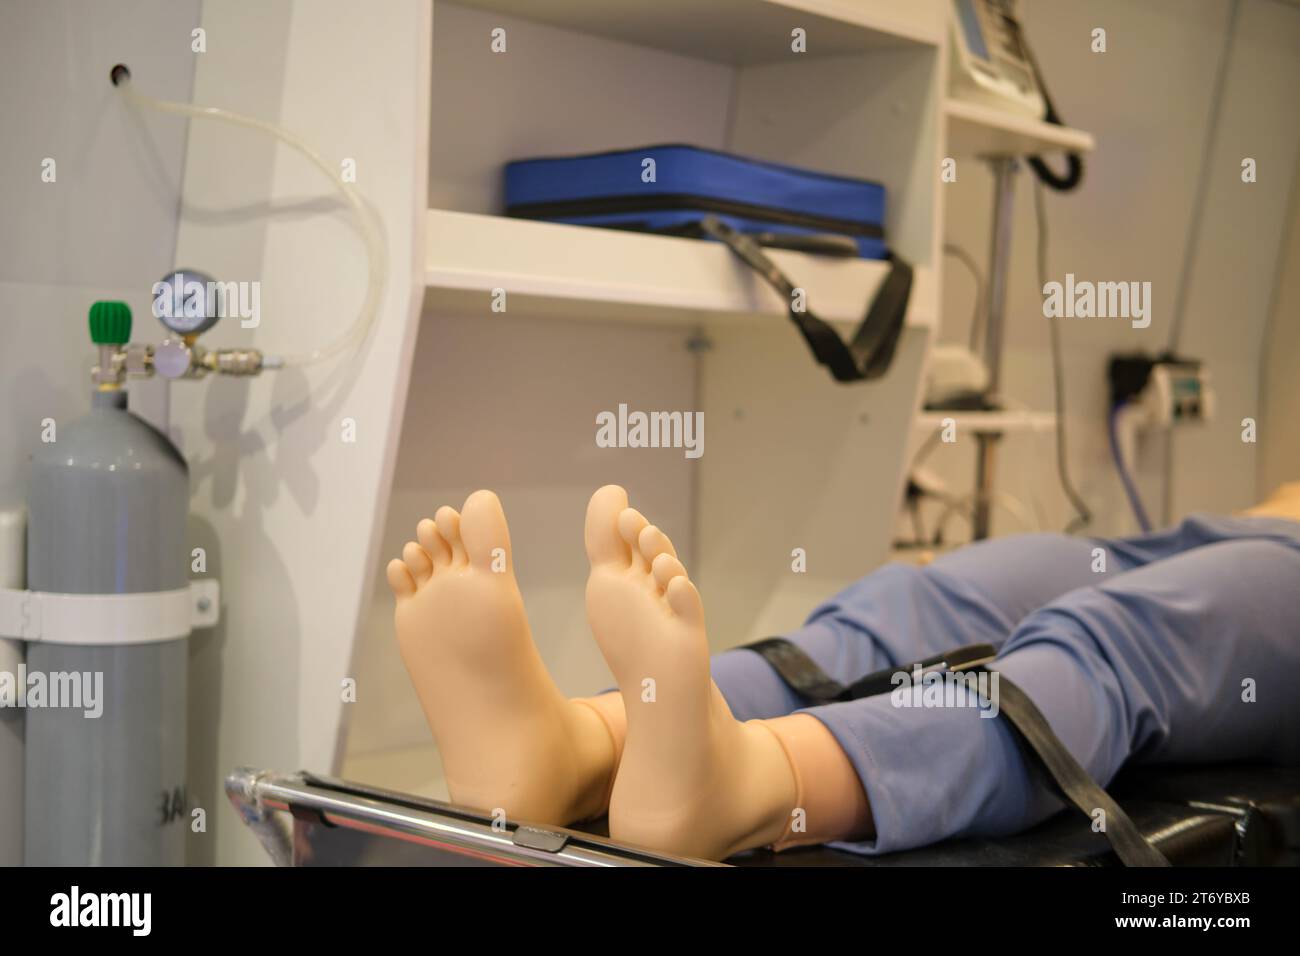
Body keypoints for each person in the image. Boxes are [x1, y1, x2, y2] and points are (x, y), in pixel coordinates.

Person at [385, 483, 1300, 861]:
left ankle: (755, 781)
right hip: (1224, 528)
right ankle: (574, 747)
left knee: (1104, 641)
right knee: (919, 601)